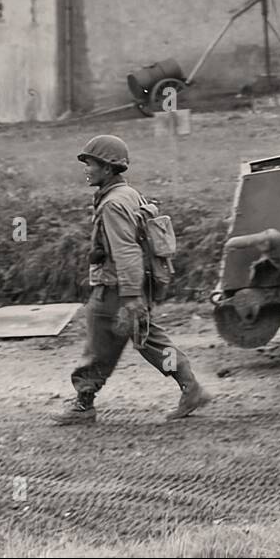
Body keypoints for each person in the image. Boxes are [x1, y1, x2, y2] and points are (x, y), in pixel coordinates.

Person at [54, 135, 213, 424]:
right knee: (146, 338)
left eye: (90, 164)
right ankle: (191, 387)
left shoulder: (113, 203)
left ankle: (84, 404)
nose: (86, 169)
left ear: (107, 168)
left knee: (100, 338)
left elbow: (126, 249)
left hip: (116, 287)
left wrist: (130, 297)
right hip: (135, 282)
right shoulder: (128, 194)